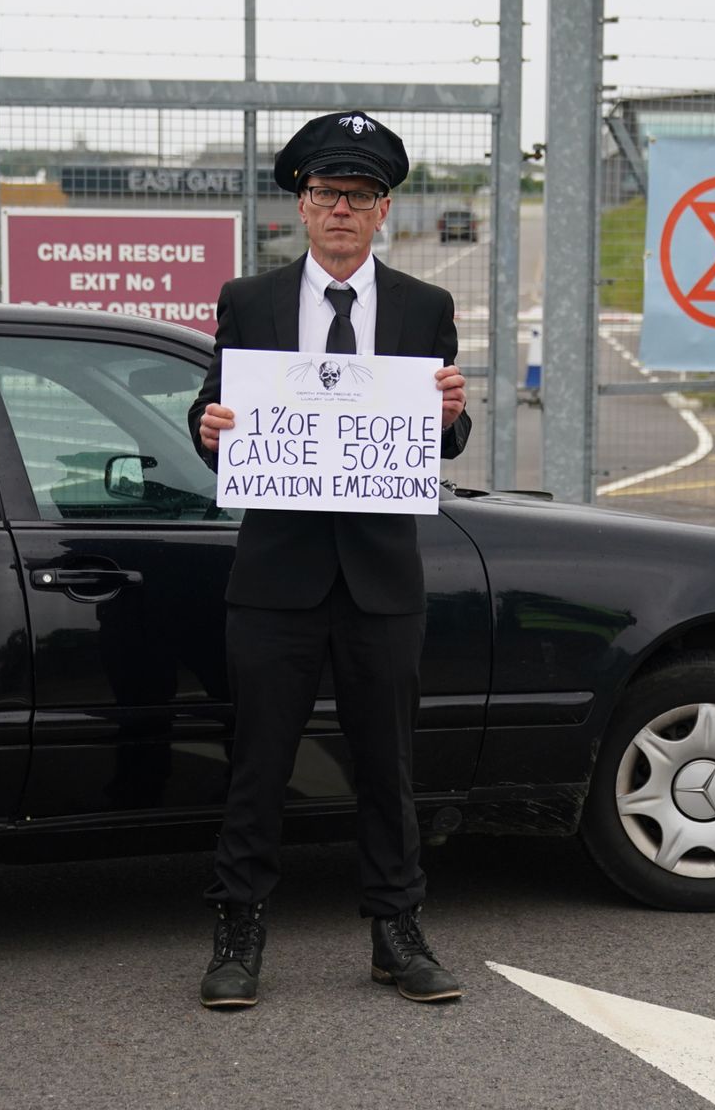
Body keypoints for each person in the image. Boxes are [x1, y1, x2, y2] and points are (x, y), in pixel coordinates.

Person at [189, 110, 472, 1009]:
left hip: (381, 581)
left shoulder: (425, 309)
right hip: (277, 578)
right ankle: (238, 931)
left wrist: (452, 416)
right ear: (301, 207)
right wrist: (208, 426)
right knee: (259, 762)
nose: (340, 209)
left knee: (388, 765)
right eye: (325, 193)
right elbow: (213, 414)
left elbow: (441, 436)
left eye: (358, 195)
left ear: (384, 210)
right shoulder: (250, 301)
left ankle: (397, 932)